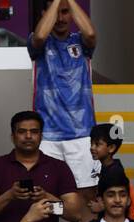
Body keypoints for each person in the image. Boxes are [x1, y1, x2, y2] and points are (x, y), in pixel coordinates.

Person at [28, 0, 98, 202]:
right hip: (47, 136)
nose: (60, 18)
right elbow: (40, 35)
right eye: (55, 12)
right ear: (45, 13)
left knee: (87, 199)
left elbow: (91, 34)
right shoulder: (37, 43)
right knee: (43, 199)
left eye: (65, 12)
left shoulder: (82, 42)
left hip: (82, 134)